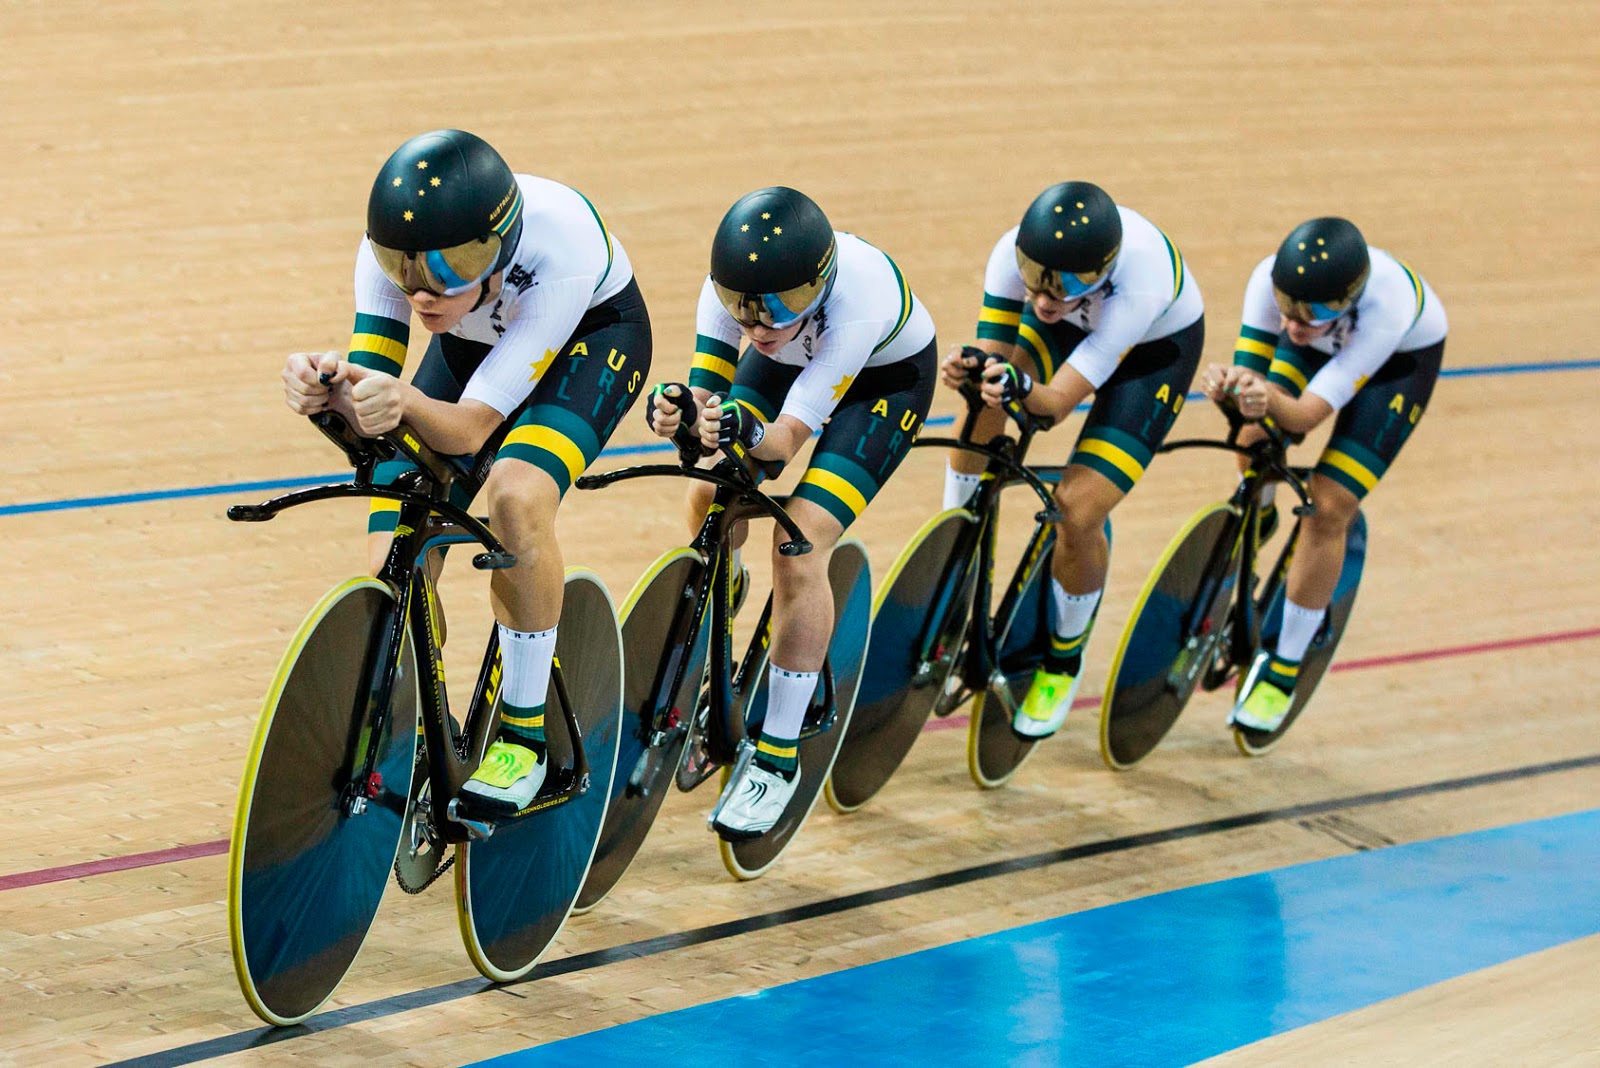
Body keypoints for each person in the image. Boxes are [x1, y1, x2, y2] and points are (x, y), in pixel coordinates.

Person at [280, 129, 651, 814]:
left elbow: (474, 427)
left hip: (588, 343)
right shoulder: (394, 261)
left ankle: (525, 737)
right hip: (474, 340)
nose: (423, 293)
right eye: (406, 271)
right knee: (392, 538)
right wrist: (327, 393)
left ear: (500, 249)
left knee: (515, 497)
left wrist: (405, 403)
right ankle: (427, 723)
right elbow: (378, 402)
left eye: (450, 270)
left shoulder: (559, 253)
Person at [646, 186, 937, 837]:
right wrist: (680, 414)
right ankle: (730, 585)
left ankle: (777, 757)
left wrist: (737, 429)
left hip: (882, 386)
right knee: (707, 494)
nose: (756, 328)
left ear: (819, 285)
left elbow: (779, 443)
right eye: (744, 314)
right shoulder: (743, 305)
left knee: (800, 543)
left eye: (777, 310)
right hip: (796, 364)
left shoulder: (856, 307)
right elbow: (707, 401)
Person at [948, 181, 1205, 739]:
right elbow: (996, 362)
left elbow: (1054, 405)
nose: (1045, 294)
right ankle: (954, 552)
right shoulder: (1014, 261)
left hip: (1151, 357)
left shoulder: (1140, 285)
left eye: (1069, 283)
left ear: (1105, 270)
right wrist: (975, 372)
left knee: (1077, 510)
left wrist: (1019, 384)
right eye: (1037, 277)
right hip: (1072, 331)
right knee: (985, 395)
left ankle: (1063, 657)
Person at [1202, 216, 1446, 731]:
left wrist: (1266, 398)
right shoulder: (1271, 285)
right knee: (1253, 443)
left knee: (1329, 504)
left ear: (1349, 300)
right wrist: (1231, 387)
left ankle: (1283, 668)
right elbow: (1252, 390)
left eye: (1313, 313)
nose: (1295, 322)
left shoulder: (1388, 307)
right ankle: (1261, 517)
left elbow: (1308, 415)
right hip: (1327, 352)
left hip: (1396, 366)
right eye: (1289, 307)